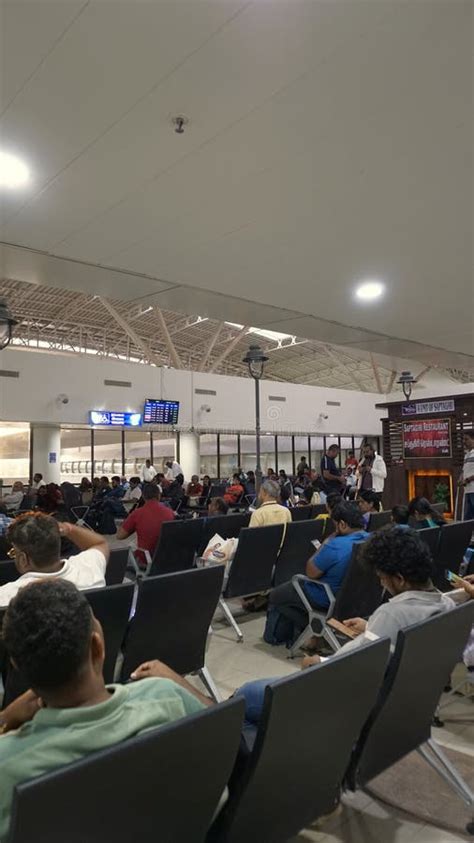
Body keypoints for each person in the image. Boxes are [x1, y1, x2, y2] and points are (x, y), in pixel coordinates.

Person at [0, 579, 211, 839]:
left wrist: (3, 719)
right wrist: (177, 682)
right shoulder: (165, 697)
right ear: (98, 647)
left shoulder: (8, 764)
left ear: (17, 666)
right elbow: (227, 730)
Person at [240, 527, 454, 727]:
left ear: (399, 579)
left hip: (342, 701)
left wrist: (317, 662)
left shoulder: (392, 614)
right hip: (405, 709)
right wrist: (370, 627)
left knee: (246, 696)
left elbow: (352, 671)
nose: (381, 584)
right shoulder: (447, 605)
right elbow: (398, 641)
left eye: (382, 578)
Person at [265, 502, 367, 639]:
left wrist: (326, 542)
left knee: (275, 596)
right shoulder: (372, 540)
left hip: (325, 597)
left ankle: (317, 630)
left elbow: (311, 572)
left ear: (342, 524)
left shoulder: (336, 546)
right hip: (357, 599)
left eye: (335, 524)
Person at [0, 514, 109, 606]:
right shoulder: (88, 569)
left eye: (14, 552)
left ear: (23, 559)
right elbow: (99, 543)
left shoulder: (6, 596)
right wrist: (68, 528)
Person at [116, 483, 175, 567]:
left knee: (123, 559)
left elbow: (120, 536)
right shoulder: (169, 512)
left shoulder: (137, 513)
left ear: (143, 497)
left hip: (146, 558)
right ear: (159, 496)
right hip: (166, 557)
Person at [459, 432, 474, 520]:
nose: (464, 442)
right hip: (468, 490)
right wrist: (461, 478)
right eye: (463, 439)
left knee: (468, 516)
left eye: (466, 439)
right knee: (468, 516)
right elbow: (464, 470)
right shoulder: (466, 455)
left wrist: (467, 480)